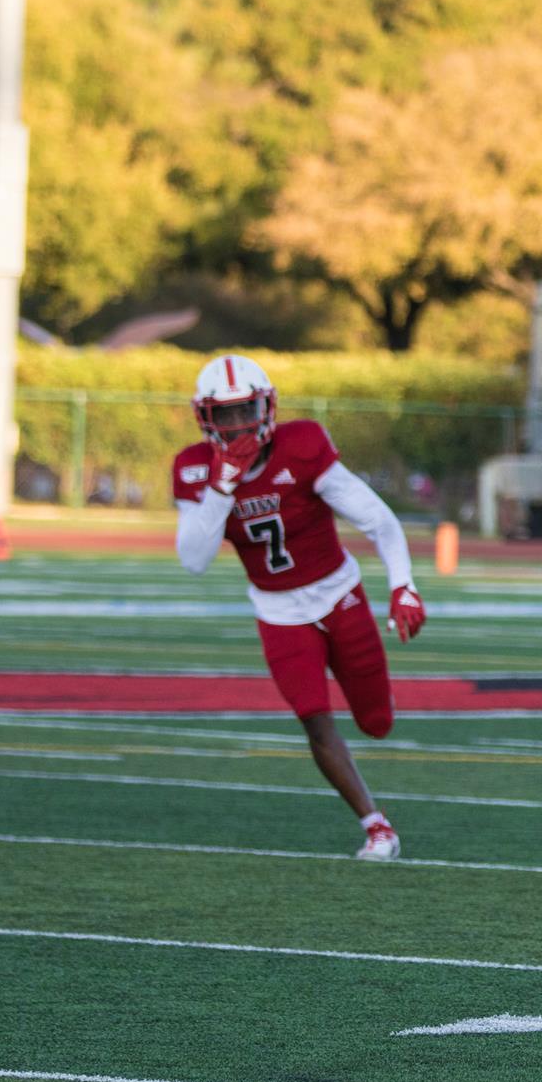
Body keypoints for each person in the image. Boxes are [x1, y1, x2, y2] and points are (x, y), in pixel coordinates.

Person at [172, 355, 427, 860]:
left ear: (267, 407)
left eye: (246, 410)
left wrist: (403, 586)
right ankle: (376, 825)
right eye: (225, 416)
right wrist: (222, 488)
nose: (238, 425)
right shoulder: (195, 468)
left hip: (339, 593)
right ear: (205, 419)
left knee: (377, 721)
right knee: (314, 717)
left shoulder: (303, 445)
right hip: (278, 611)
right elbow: (193, 560)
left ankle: (375, 795)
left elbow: (377, 519)